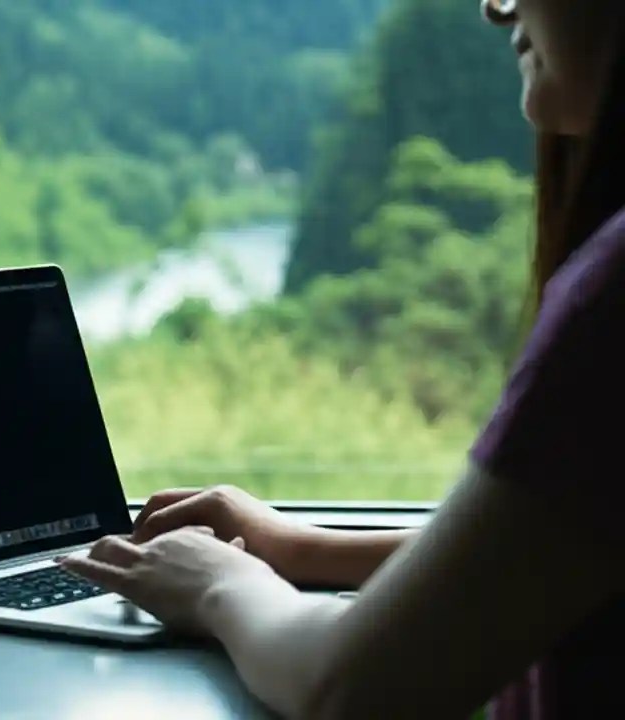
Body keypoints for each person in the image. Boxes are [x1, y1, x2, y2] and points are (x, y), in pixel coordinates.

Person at [61, 1, 624, 717]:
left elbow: (350, 688)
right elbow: (551, 548)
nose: (496, 6)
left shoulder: (614, 298)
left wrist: (217, 584)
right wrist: (305, 550)